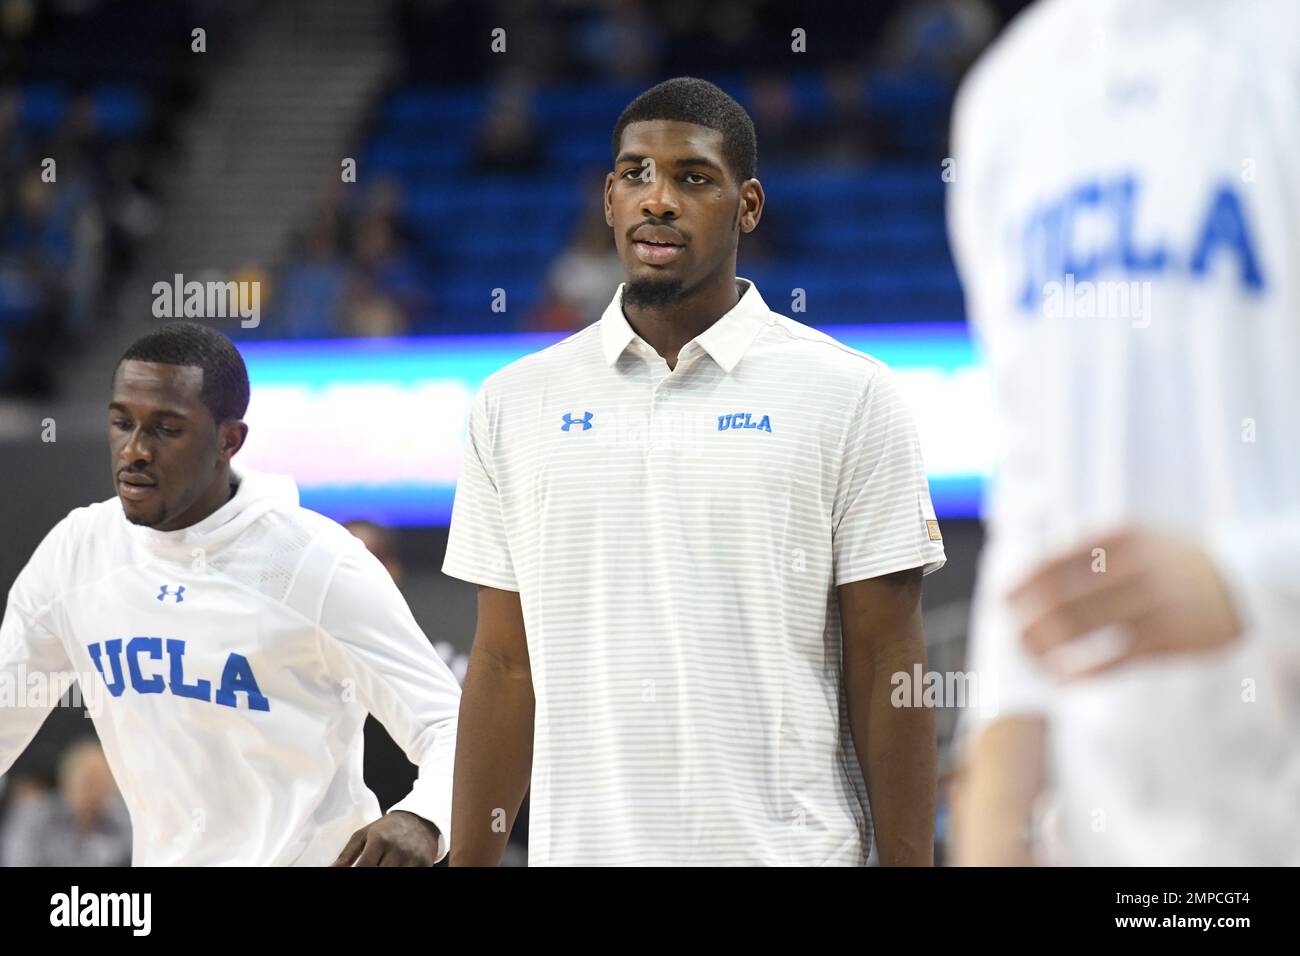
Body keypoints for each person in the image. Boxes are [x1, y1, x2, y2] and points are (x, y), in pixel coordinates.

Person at [445, 77, 947, 866]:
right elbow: (505, 667)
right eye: (636, 175)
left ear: (747, 207)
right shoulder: (514, 404)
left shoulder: (850, 394)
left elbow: (888, 663)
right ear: (608, 198)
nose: (659, 199)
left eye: (693, 178)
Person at [947, 0, 1300, 864]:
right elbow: (1031, 485)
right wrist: (995, 811)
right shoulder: (1004, 98)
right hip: (1105, 828)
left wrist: (1256, 580)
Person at [0, 322, 461, 865]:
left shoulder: (317, 562)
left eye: (166, 429)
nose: (135, 450)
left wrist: (426, 814)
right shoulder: (77, 553)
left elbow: (448, 722)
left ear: (229, 440)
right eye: (122, 423)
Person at [0, 738, 131, 867]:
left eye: (102, 785)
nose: (93, 793)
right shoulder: (36, 816)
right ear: (67, 780)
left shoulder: (123, 824)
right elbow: (17, 861)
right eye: (87, 783)